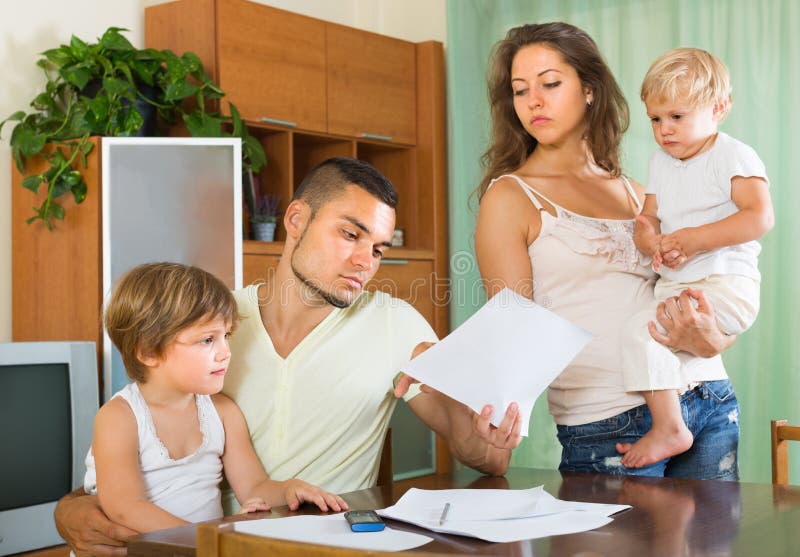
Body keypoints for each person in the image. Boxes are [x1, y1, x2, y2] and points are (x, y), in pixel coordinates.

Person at [56, 157, 522, 556]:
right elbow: (142, 447)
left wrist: (491, 435)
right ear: (296, 219)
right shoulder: (211, 322)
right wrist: (69, 509)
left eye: (379, 249)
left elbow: (478, 451)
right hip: (215, 545)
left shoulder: (396, 324)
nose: (366, 262)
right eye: (350, 234)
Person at [474, 22, 739, 479]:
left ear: (590, 89)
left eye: (550, 84)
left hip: (708, 397)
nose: (533, 101)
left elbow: (711, 286)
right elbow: (513, 328)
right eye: (520, 90)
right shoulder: (510, 197)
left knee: (719, 532)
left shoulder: (641, 192)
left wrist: (716, 338)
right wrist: (487, 413)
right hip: (606, 424)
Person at [84, 262, 346, 535]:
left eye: (226, 335)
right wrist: (208, 539)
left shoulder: (222, 412)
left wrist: (289, 489)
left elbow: (254, 487)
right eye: (208, 340)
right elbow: (126, 507)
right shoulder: (119, 418)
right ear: (149, 351)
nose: (225, 352)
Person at [617, 48, 773, 468]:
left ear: (718, 109)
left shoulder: (732, 155)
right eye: (655, 119)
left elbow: (760, 216)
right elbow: (647, 218)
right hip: (680, 286)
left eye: (677, 116)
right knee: (637, 334)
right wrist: (651, 241)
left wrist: (695, 240)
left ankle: (669, 428)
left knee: (646, 334)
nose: (664, 129)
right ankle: (675, 423)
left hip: (725, 285)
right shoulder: (660, 162)